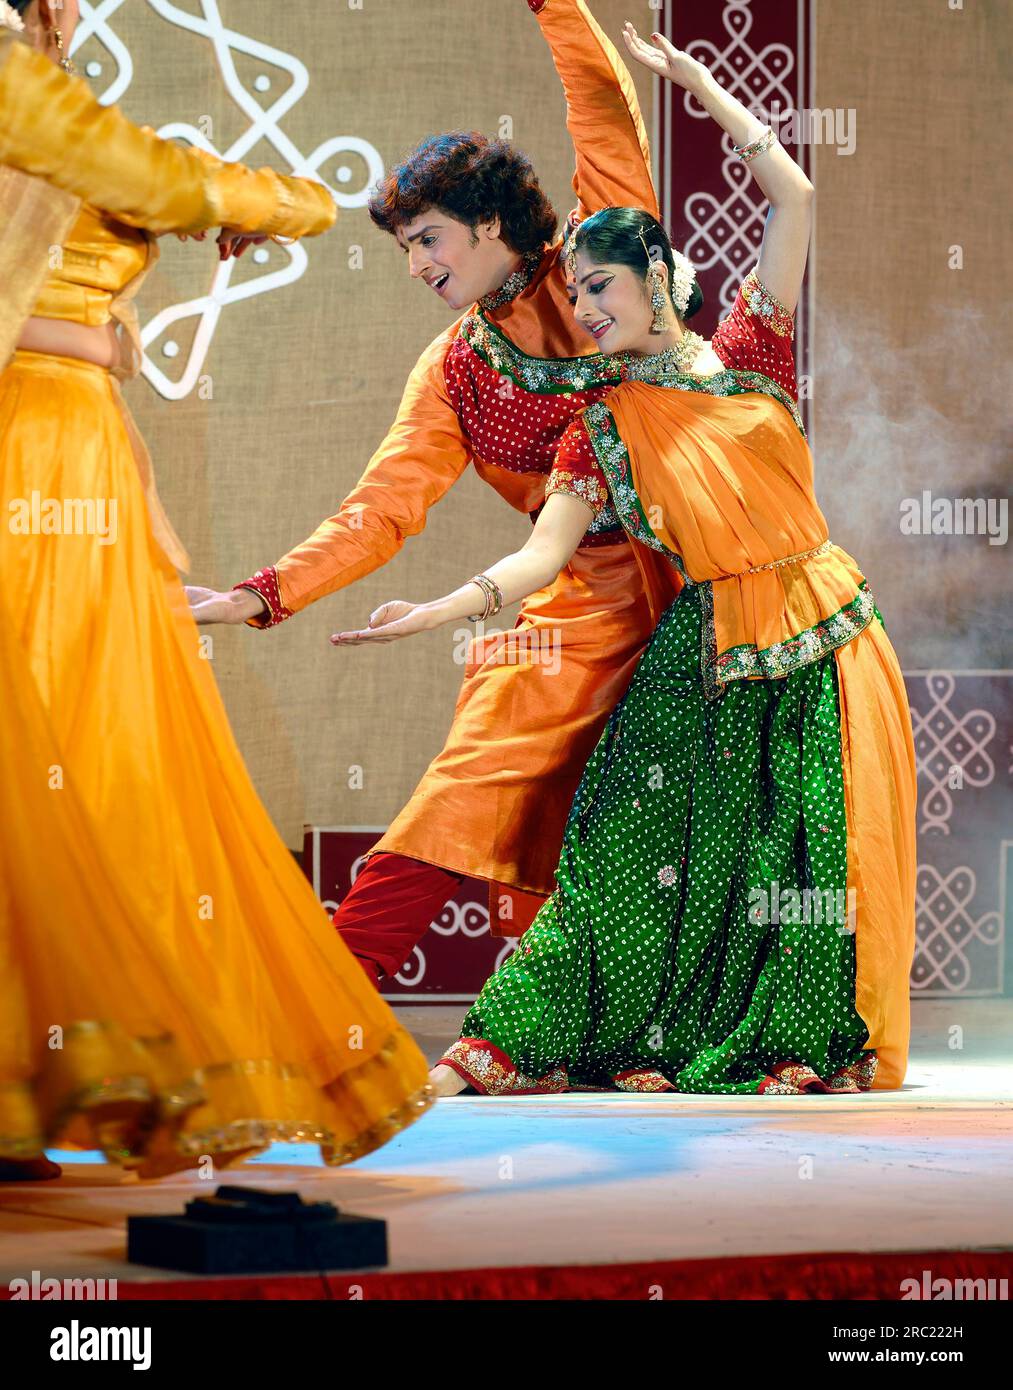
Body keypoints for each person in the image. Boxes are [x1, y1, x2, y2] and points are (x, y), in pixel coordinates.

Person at [331, 26, 917, 1096]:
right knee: (615, 859)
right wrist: (437, 611)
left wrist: (700, 88)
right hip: (694, 653)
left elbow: (793, 200)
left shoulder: (751, 349)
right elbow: (534, 557)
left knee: (799, 857)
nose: (587, 311)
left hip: (821, 635)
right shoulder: (594, 421)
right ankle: (510, 1048)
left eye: (603, 290)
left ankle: (790, 1045)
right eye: (581, 295)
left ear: (656, 279)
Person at [0, 0, 431, 1179]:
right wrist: (281, 205)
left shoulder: (39, 101)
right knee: (69, 747)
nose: (79, 11)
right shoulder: (17, 87)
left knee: (81, 757)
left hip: (71, 449)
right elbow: (164, 177)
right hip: (36, 452)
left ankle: (45, 1069)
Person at [187, 0, 682, 985]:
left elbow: (600, 111)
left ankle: (653, 1024)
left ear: (490, 223)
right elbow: (380, 511)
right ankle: (333, 999)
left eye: (427, 239)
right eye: (404, 247)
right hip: (581, 605)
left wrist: (552, 6)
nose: (416, 265)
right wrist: (259, 595)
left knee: (716, 816)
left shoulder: (597, 271)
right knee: (482, 769)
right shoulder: (453, 371)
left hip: (709, 587)